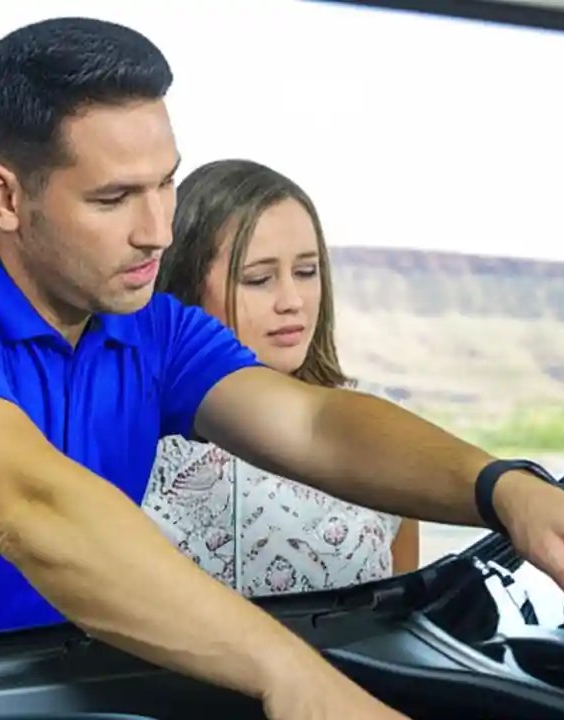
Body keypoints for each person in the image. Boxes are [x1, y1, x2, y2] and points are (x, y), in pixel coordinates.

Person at [0, 17, 564, 720]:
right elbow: (36, 511)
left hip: (44, 697)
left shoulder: (153, 330)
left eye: (165, 181)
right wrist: (293, 677)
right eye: (113, 197)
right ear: (4, 195)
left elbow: (313, 423)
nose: (157, 228)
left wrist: (504, 489)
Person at [143, 159, 419, 596]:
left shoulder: (375, 431)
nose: (292, 300)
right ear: (187, 284)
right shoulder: (130, 433)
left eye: (307, 272)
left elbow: (401, 625)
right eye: (259, 279)